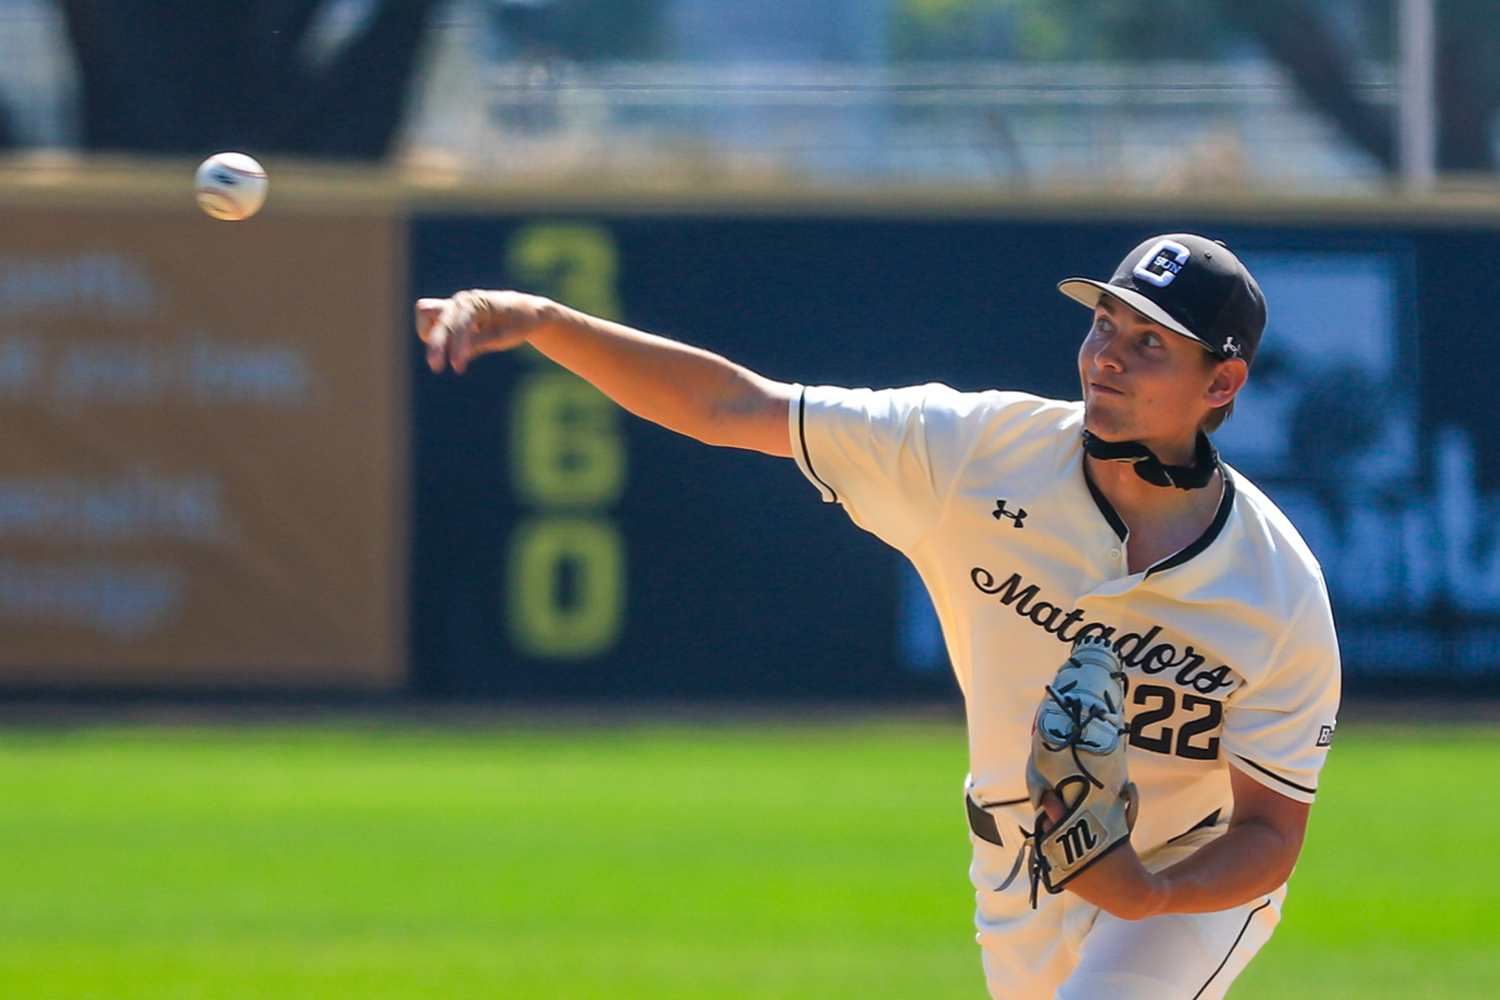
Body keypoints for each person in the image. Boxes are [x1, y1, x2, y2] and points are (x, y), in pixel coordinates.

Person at [416, 233, 1341, 1000]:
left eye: (1152, 345)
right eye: (1106, 324)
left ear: (1221, 386)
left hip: (1188, 876)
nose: (1106, 356)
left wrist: (1150, 893)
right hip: (1014, 861)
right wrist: (540, 321)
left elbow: (1269, 833)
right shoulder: (973, 455)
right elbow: (733, 405)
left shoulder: (1275, 589)